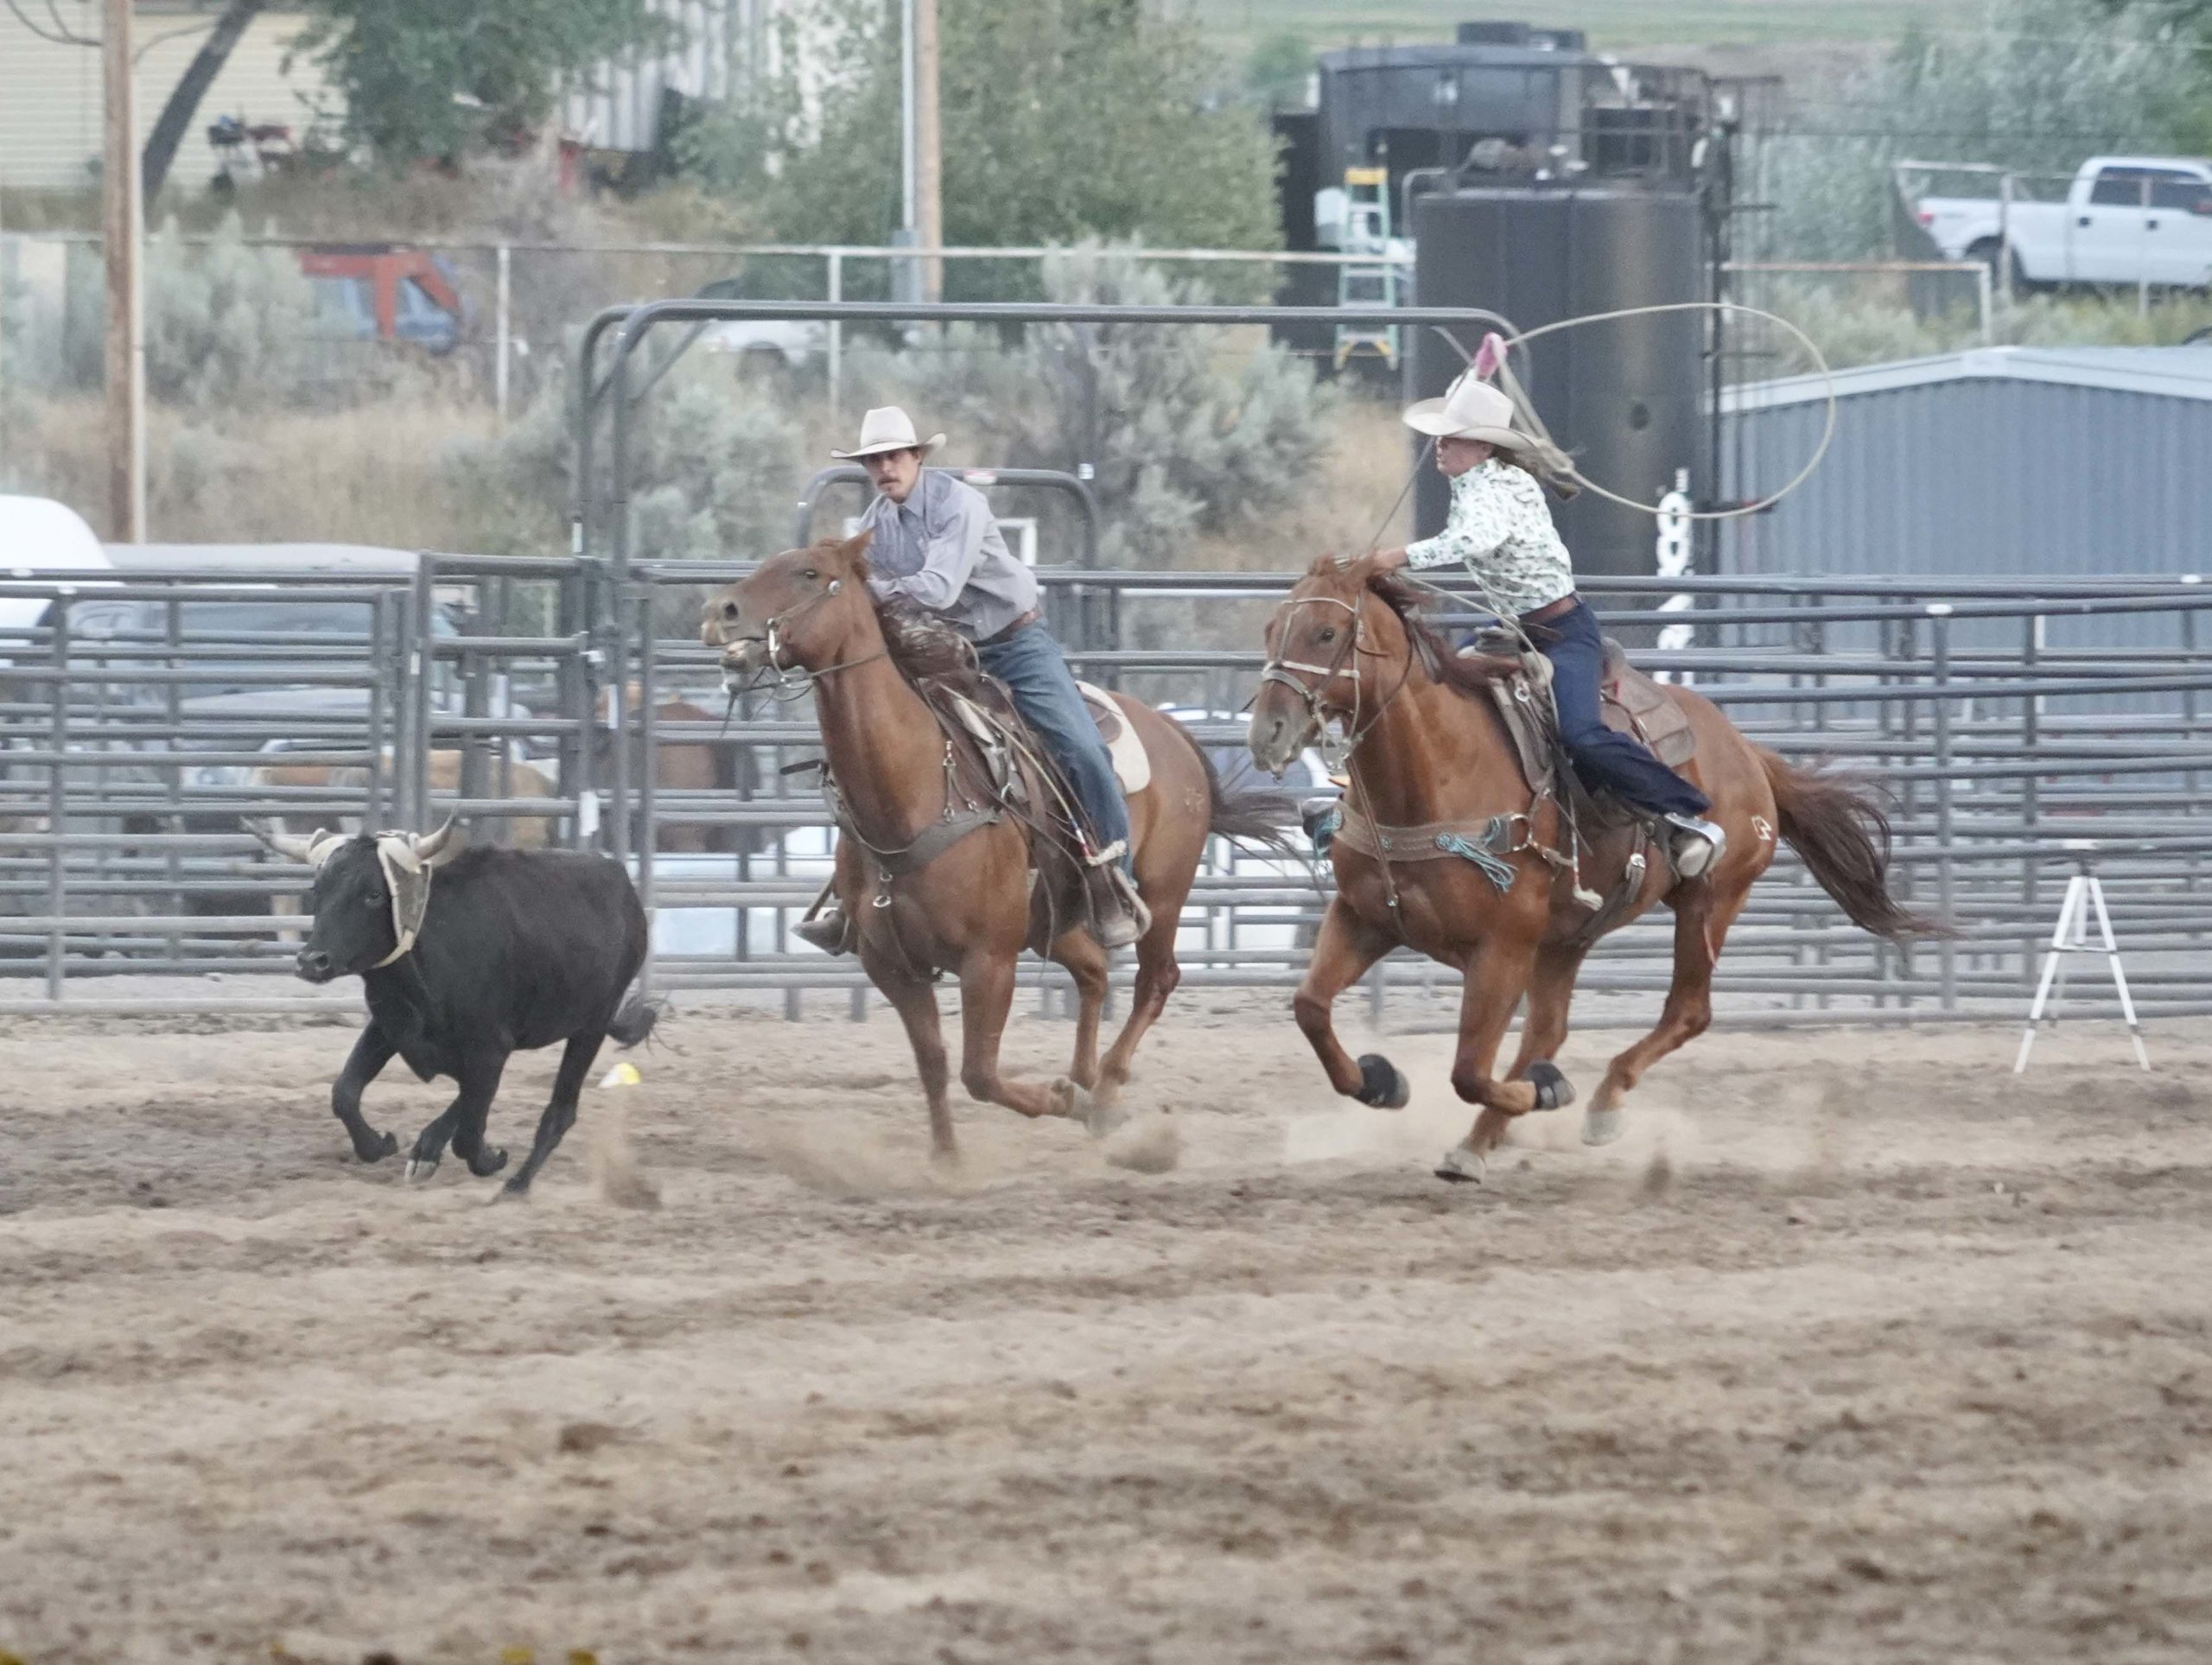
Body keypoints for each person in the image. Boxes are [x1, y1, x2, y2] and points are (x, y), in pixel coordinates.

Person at [795, 406, 1149, 953]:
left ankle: (1112, 877)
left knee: (1080, 747)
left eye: (893, 456)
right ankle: (849, 893)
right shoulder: (875, 523)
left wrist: (863, 592)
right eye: (874, 461)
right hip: (939, 648)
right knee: (876, 752)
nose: (885, 468)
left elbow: (936, 589)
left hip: (1012, 644)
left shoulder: (959, 505)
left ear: (916, 458)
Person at [1358, 376, 1727, 878]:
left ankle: (1682, 812)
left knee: (1581, 733)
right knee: (1426, 691)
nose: (1439, 444)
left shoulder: (1501, 486)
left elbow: (1474, 538)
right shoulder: (1474, 483)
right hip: (1510, 628)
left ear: (1483, 445)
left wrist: (1393, 557)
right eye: (1441, 434)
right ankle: (1363, 803)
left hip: (1563, 631)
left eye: (1453, 436)